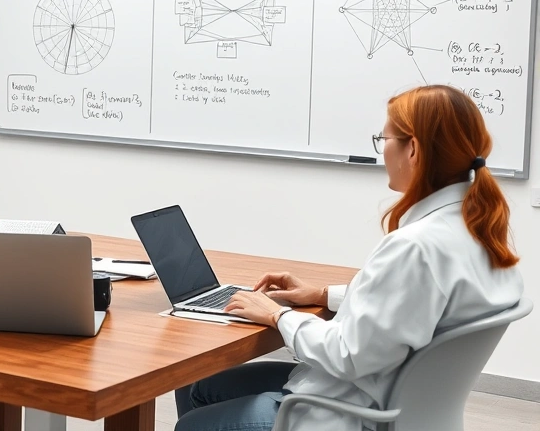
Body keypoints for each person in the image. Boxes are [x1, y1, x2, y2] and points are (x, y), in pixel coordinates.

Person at [175, 85, 524, 431]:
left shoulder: (416, 246)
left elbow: (348, 354)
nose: (381, 149)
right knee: (198, 386)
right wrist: (322, 295)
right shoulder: (475, 230)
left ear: (413, 149)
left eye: (384, 138)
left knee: (192, 421)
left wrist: (277, 315)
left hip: (351, 413)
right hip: (398, 405)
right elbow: (409, 304)